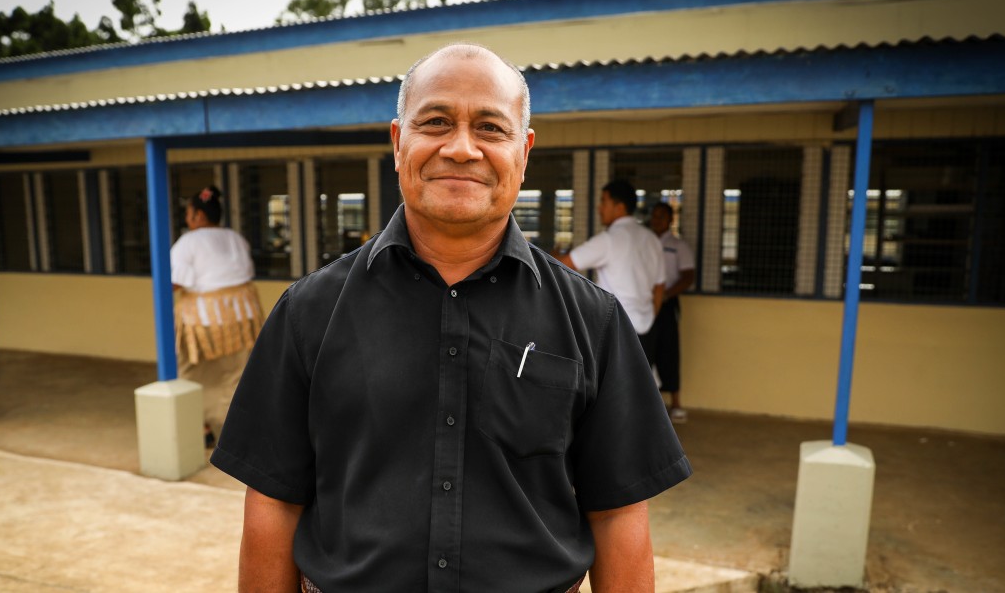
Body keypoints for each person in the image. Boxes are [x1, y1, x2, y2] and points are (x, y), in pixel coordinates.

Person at [211, 43, 690, 593]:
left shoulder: (594, 322)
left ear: (524, 152)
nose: (461, 149)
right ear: (398, 142)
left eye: (490, 128)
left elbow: (619, 515)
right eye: (435, 122)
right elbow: (273, 505)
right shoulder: (308, 313)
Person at [169, 185, 263, 448]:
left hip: (205, 324)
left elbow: (173, 282)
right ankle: (235, 434)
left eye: (188, 214)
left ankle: (201, 428)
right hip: (242, 319)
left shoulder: (188, 242)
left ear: (198, 216)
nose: (187, 219)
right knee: (236, 376)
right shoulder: (235, 238)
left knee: (193, 376)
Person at [554, 179, 667, 364]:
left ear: (620, 207)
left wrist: (553, 255)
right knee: (641, 390)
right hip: (646, 328)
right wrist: (651, 315)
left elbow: (564, 264)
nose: (599, 208)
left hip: (616, 331)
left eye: (604, 202)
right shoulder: (652, 239)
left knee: (612, 390)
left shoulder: (609, 240)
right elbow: (660, 285)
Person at [646, 202, 696, 423]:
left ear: (670, 220)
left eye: (661, 216)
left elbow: (688, 276)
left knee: (669, 350)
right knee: (646, 348)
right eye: (654, 216)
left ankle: (676, 404)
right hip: (644, 303)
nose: (656, 220)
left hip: (666, 304)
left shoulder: (678, 245)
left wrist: (666, 295)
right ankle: (647, 402)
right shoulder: (644, 242)